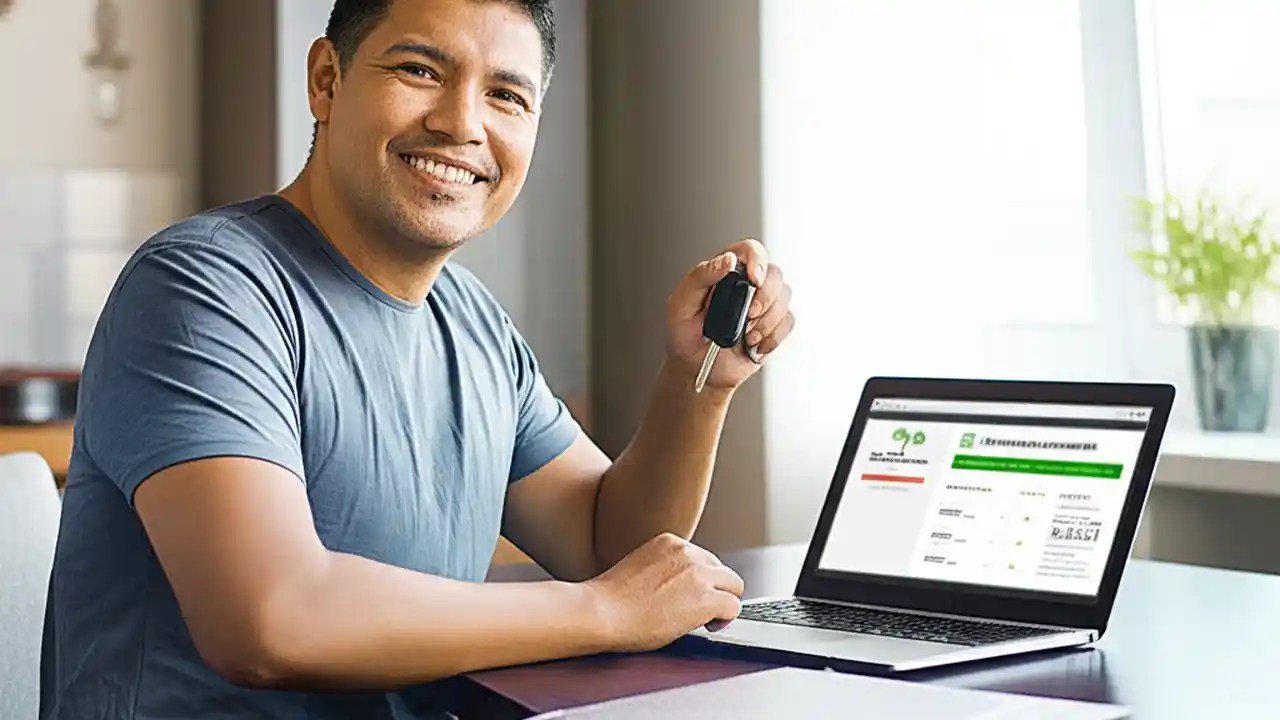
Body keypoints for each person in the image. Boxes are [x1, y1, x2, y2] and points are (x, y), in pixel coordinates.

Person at [39, 0, 796, 717]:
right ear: (326, 81)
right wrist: (604, 612)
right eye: (420, 72)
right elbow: (272, 620)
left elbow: (606, 541)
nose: (461, 123)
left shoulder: (472, 321)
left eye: (507, 96)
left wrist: (697, 384)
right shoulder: (205, 288)